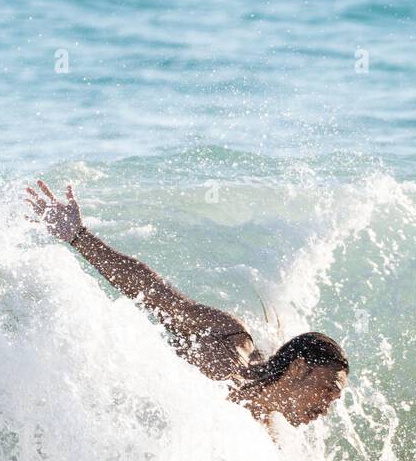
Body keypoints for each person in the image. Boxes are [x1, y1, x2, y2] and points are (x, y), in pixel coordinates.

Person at [25, 180, 349, 431]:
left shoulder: (262, 433)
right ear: (297, 368)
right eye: (326, 392)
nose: (325, 408)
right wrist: (78, 236)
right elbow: (151, 292)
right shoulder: (228, 340)